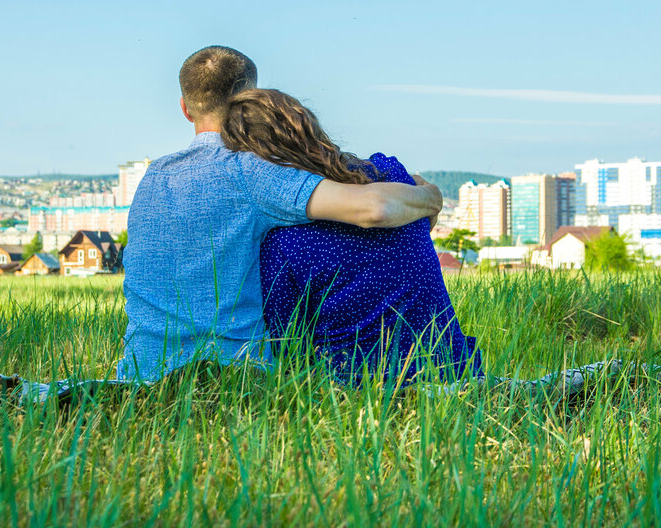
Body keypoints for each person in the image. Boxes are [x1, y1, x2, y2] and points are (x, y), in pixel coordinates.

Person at [116, 46, 443, 381]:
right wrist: (430, 197)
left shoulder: (152, 177)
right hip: (230, 375)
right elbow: (375, 207)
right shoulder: (247, 171)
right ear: (249, 100)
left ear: (185, 108)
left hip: (140, 372)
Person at [221, 88, 481, 386]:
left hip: (361, 387)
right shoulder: (390, 172)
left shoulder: (280, 241)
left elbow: (288, 347)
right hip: (455, 369)